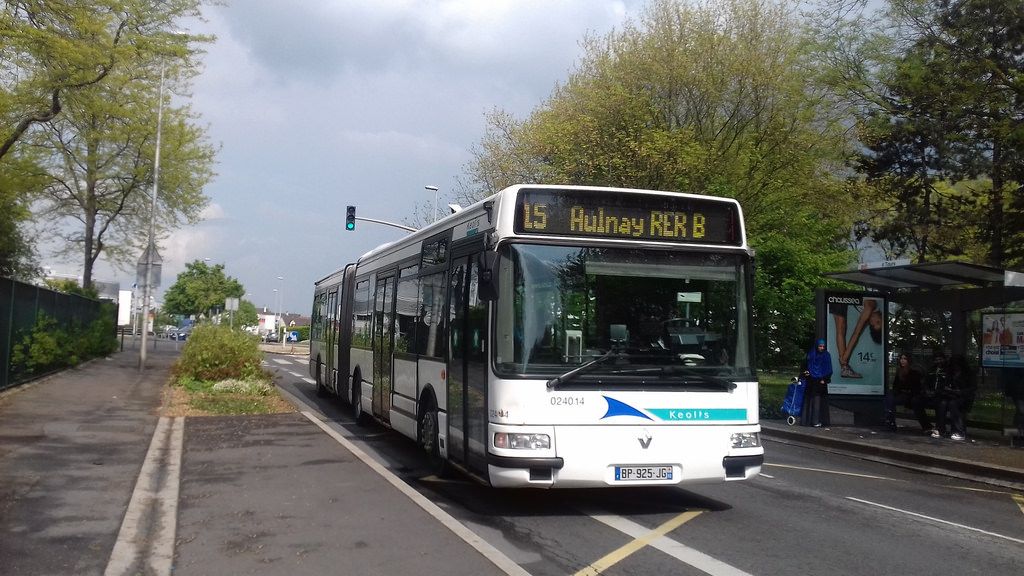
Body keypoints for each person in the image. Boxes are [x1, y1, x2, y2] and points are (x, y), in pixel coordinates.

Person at [829, 299, 883, 379]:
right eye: (878, 322)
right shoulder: (871, 306)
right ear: (882, 317)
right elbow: (856, 334)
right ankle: (844, 367)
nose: (873, 321)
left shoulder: (870, 316)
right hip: (842, 296)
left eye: (873, 325)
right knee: (841, 327)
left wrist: (844, 358)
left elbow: (857, 334)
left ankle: (844, 368)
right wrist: (845, 358)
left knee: (841, 328)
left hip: (841, 300)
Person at [884, 352, 932, 433]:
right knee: (889, 398)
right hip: (901, 394)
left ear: (909, 360)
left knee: (891, 399)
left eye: (905, 359)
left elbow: (916, 387)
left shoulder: (914, 372)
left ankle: (890, 422)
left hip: (910, 395)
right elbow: (896, 385)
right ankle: (890, 422)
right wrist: (896, 391)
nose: (902, 361)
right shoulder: (899, 371)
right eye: (901, 359)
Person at [933, 354, 976, 441]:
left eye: (957, 365)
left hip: (964, 397)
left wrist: (960, 391)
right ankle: (941, 429)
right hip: (951, 395)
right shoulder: (950, 372)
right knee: (942, 403)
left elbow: (972, 388)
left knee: (953, 404)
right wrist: (948, 389)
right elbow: (945, 384)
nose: (955, 367)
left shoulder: (968, 373)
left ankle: (959, 431)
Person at [802, 338, 832, 427]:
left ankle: (816, 421)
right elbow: (805, 367)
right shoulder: (811, 355)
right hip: (811, 381)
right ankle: (811, 421)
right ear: (816, 346)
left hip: (821, 382)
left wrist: (825, 379)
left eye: (823, 346)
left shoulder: (826, 355)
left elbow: (829, 369)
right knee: (811, 401)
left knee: (818, 401)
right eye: (820, 346)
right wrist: (806, 373)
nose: (822, 348)